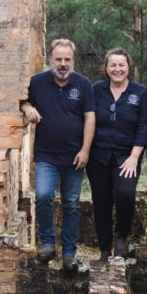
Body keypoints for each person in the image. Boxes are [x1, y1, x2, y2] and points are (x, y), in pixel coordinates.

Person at [21, 39, 95, 272]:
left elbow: (90, 118)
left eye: (67, 60)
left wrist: (85, 150)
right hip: (46, 156)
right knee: (42, 196)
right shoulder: (38, 82)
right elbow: (22, 100)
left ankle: (70, 253)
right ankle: (48, 244)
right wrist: (27, 108)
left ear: (72, 60)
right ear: (50, 60)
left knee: (71, 204)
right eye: (58, 59)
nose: (63, 64)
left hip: (74, 157)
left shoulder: (83, 85)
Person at [87, 47, 147, 260]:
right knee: (101, 201)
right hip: (98, 157)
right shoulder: (95, 90)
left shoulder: (140, 93)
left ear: (128, 66)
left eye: (121, 65)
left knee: (124, 194)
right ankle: (104, 249)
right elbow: (86, 119)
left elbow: (143, 126)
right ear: (105, 68)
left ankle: (122, 237)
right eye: (112, 65)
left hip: (127, 156)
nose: (117, 69)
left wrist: (134, 157)